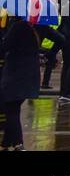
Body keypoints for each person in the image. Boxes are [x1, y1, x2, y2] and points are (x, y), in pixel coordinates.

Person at [2, 14, 63, 150]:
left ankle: (18, 144)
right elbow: (61, 39)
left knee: (10, 108)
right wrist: (48, 53)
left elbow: (5, 47)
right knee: (13, 106)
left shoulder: (18, 26)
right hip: (31, 72)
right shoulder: (41, 26)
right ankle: (6, 143)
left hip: (15, 71)